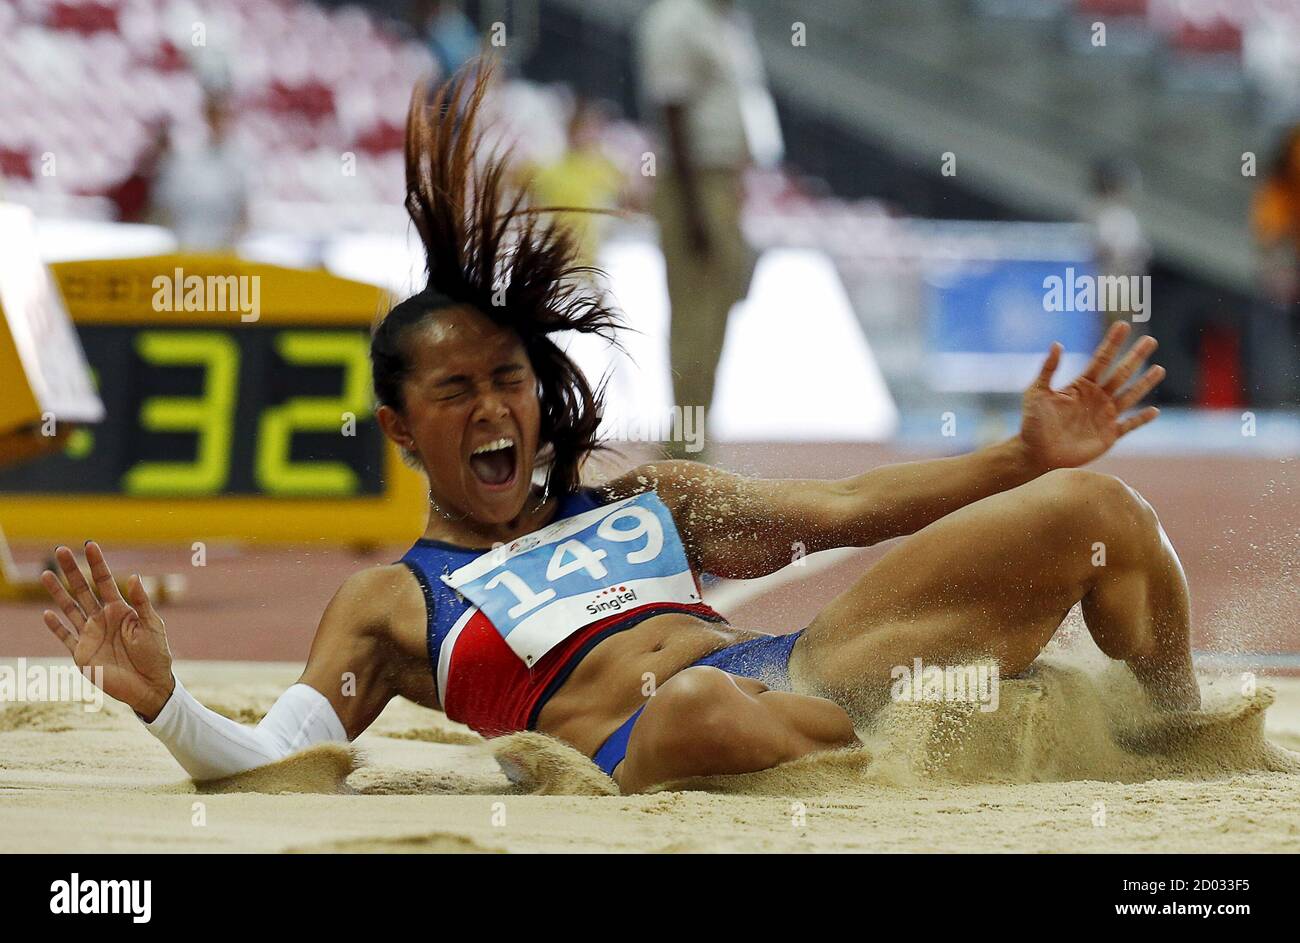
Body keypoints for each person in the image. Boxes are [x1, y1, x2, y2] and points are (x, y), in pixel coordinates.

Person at [40, 65, 1197, 796]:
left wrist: (1024, 456)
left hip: (791, 675)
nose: (496, 407)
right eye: (458, 394)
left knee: (1099, 515)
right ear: (400, 429)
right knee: (689, 707)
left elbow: (845, 515)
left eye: (511, 378)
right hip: (635, 747)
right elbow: (279, 766)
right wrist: (165, 706)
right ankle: (928, 737)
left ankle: (1178, 730)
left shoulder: (653, 502)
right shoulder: (393, 602)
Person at [635, 0, 783, 460]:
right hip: (693, 180)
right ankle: (685, 443)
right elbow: (671, 106)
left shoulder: (724, 20)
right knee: (696, 317)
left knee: (714, 311)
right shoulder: (678, 16)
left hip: (719, 178)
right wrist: (696, 210)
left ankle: (695, 433)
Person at [1249, 125, 1300, 405]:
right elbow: (1270, 232)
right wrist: (1277, 267)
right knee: (1277, 336)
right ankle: (1278, 399)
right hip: (1288, 262)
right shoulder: (1277, 189)